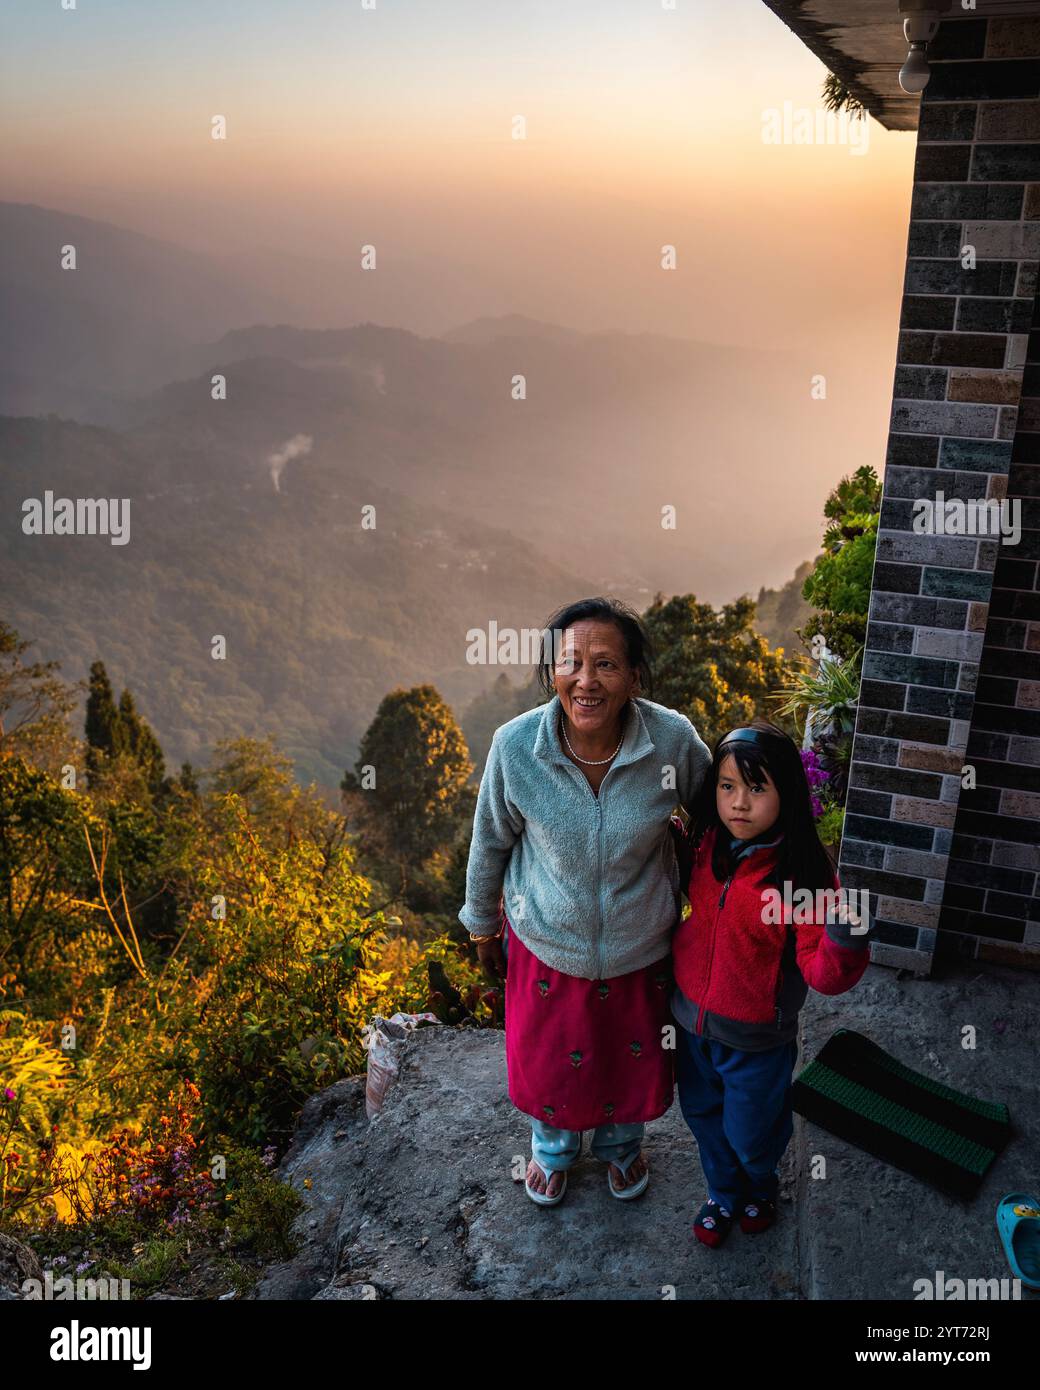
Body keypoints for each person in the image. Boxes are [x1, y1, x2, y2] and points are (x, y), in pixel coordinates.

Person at [459, 596, 711, 1206]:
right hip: (546, 939)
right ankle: (553, 1150)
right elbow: (490, 838)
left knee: (630, 1059)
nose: (587, 680)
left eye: (606, 664)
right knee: (550, 1063)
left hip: (638, 942)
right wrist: (481, 924)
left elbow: (714, 816)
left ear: (633, 677)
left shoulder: (671, 741)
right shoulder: (517, 747)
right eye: (571, 662)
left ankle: (621, 1149)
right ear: (551, 673)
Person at [671, 718, 871, 1246]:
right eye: (727, 786)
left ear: (787, 791)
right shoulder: (707, 844)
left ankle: (760, 1183)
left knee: (752, 1129)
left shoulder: (802, 876)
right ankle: (722, 1192)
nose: (739, 802)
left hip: (757, 1038)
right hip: (691, 1026)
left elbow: (821, 973)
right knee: (703, 1116)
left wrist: (844, 937)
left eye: (757, 788)